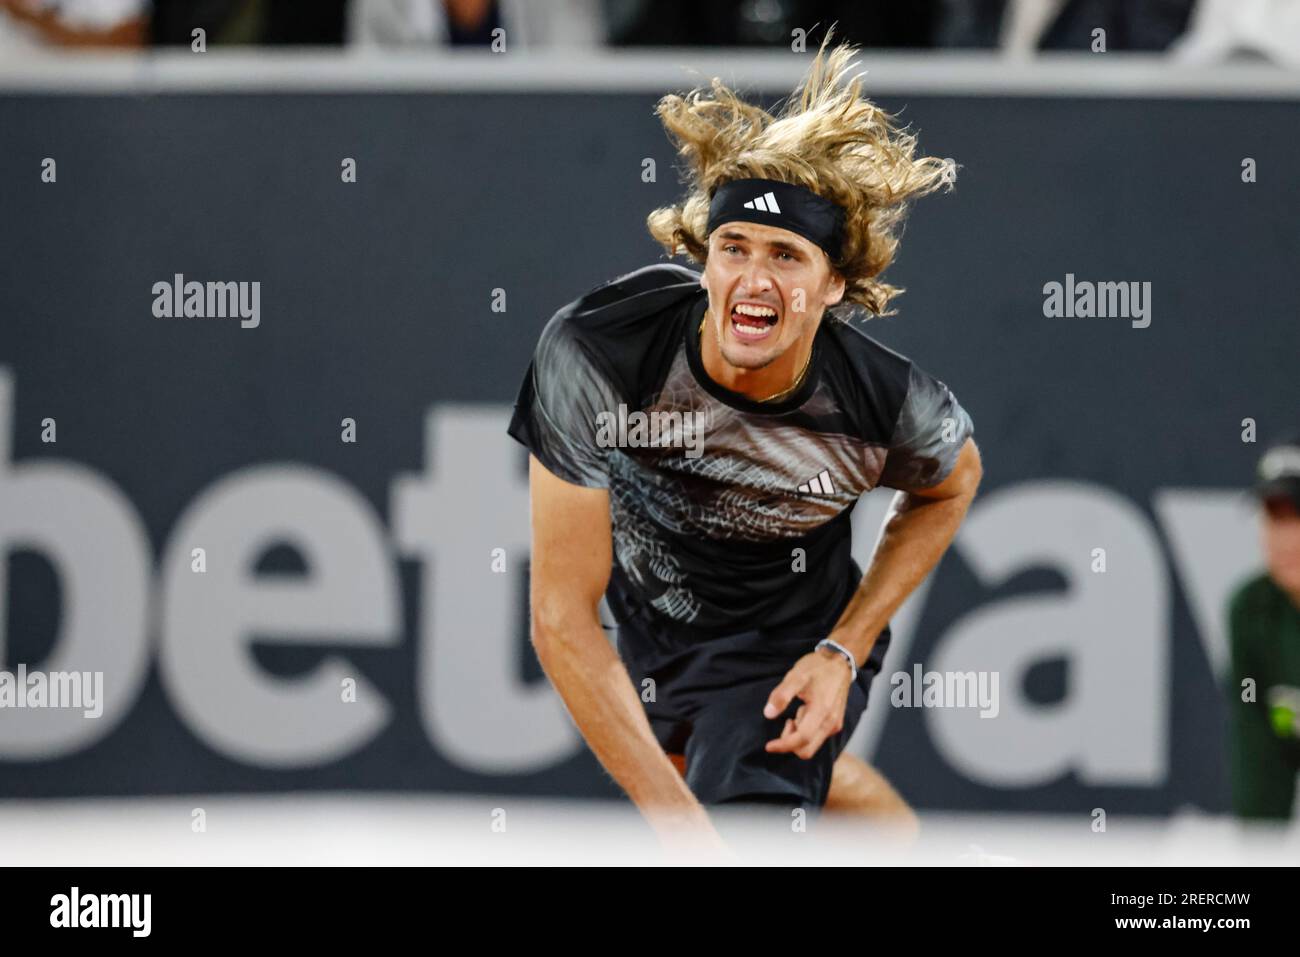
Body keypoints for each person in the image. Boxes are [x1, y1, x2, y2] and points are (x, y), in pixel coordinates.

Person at [508, 38, 981, 849]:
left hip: (790, 639)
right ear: (706, 259)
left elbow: (952, 483)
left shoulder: (884, 400)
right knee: (701, 784)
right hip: (653, 617)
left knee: (747, 829)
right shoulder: (597, 351)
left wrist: (843, 650)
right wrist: (681, 827)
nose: (754, 280)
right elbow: (559, 616)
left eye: (787, 257)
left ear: (834, 285)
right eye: (734, 248)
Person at [1227, 435, 1300, 821]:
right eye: (1275, 516)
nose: (1287, 537)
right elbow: (1262, 759)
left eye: (1299, 515)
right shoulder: (1253, 613)